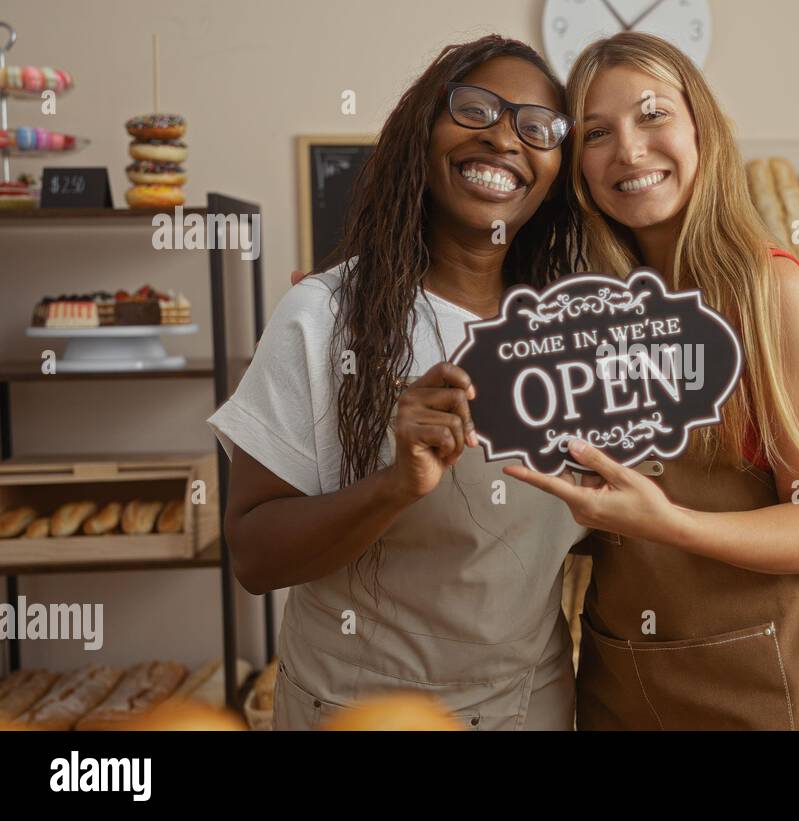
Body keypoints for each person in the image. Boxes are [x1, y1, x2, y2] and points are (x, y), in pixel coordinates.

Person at [208, 35, 590, 730]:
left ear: (558, 172)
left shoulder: (568, 333)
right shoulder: (324, 317)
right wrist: (393, 486)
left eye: (538, 129)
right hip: (366, 710)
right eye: (475, 109)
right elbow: (256, 555)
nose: (505, 138)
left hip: (532, 705)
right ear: (423, 128)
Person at [505, 32, 799, 730]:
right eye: (597, 132)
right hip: (624, 679)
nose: (629, 150)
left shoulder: (769, 292)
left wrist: (669, 523)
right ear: (576, 166)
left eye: (652, 115)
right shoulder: (587, 312)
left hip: (768, 683)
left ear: (700, 127)